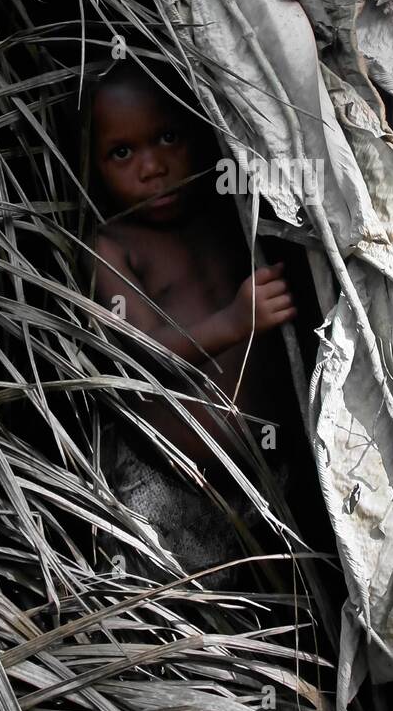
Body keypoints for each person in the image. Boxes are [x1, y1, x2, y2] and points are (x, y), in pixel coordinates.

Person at [88, 58, 300, 583]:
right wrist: (234, 322)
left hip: (271, 476)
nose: (152, 167)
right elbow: (140, 355)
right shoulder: (113, 247)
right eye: (122, 152)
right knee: (188, 618)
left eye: (167, 137)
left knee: (283, 601)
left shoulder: (233, 209)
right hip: (170, 488)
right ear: (92, 166)